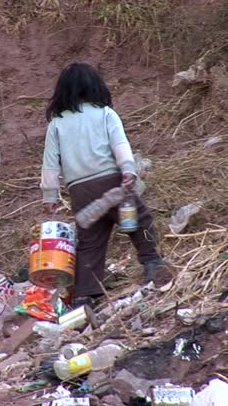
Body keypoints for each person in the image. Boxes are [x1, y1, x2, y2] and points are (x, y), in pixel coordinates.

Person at [40, 63, 171, 306]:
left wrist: (50, 196)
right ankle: (152, 263)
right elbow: (120, 145)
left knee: (90, 242)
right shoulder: (105, 114)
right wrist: (128, 169)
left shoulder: (56, 124)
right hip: (112, 184)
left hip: (80, 192)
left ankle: (84, 296)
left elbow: (50, 164)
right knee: (138, 220)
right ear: (95, 87)